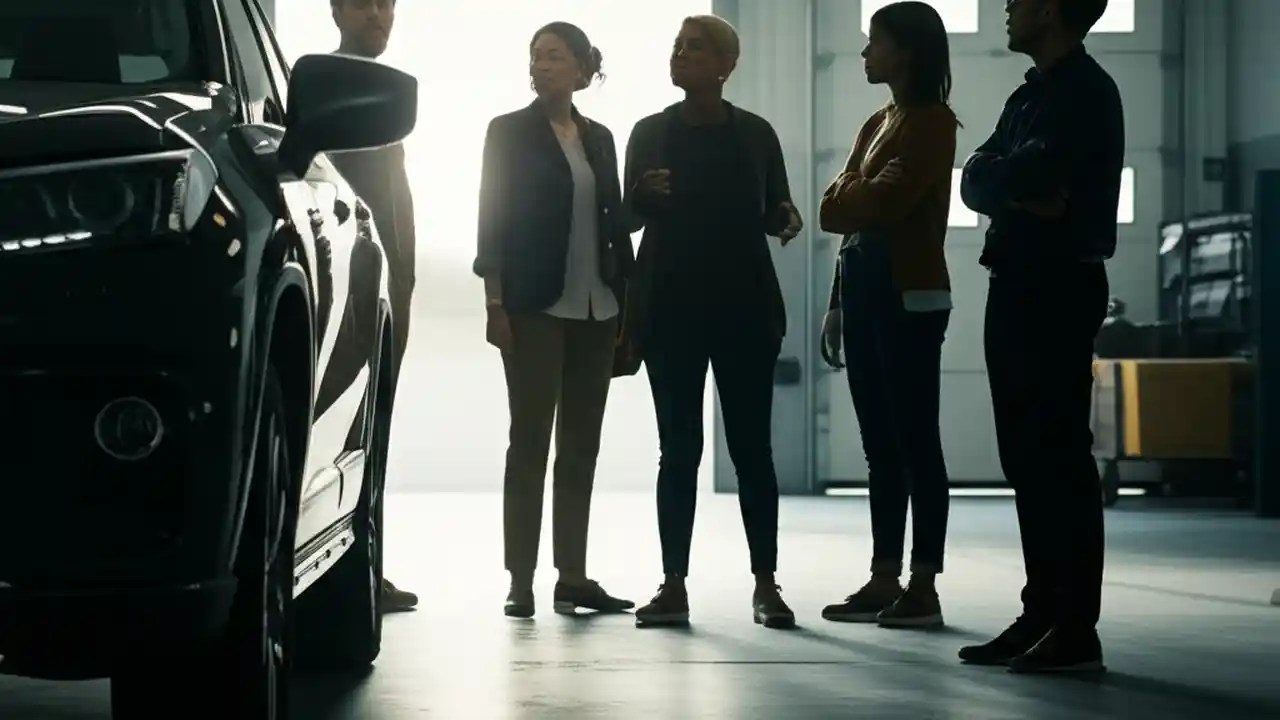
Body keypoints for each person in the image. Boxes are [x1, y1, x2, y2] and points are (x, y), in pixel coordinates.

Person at [958, 0, 1124, 674]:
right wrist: (1010, 186)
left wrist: (1007, 182)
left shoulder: (1085, 93)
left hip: (1059, 284)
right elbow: (977, 178)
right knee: (1025, 456)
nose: (1006, 7)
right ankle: (1040, 614)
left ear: (1053, 10)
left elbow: (1022, 176)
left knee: (1058, 454)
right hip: (1017, 279)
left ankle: (1075, 626)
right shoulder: (1029, 96)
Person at [622, 14, 803, 629]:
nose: (682, 55)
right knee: (679, 450)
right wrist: (641, 197)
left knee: (753, 449)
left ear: (726, 66)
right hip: (671, 311)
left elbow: (776, 206)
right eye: (677, 46)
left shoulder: (755, 135)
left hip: (744, 310)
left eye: (696, 48)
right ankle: (673, 585)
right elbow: (625, 220)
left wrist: (785, 217)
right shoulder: (649, 134)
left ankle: (766, 584)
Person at [474, 22, 635, 619]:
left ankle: (573, 576)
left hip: (598, 307)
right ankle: (521, 578)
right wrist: (495, 304)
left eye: (554, 56)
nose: (541, 65)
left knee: (581, 448)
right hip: (533, 307)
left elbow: (614, 220)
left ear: (580, 68)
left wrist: (626, 304)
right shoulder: (509, 132)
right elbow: (492, 217)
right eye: (535, 56)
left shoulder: (600, 138)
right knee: (530, 444)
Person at [816, 0, 958, 629]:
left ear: (907, 51)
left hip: (910, 295)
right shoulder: (878, 121)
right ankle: (883, 577)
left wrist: (858, 195)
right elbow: (835, 212)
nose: (865, 52)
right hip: (864, 290)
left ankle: (923, 584)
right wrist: (836, 305)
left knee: (915, 440)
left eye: (876, 41)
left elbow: (887, 206)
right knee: (880, 446)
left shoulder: (933, 123)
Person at [328, 0, 418, 614]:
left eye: (386, 3)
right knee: (351, 435)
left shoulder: (382, 92)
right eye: (363, 3)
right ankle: (351, 575)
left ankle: (368, 567)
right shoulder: (321, 84)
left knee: (376, 433)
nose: (378, 14)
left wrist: (404, 286)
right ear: (335, 8)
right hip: (350, 296)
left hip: (389, 295)